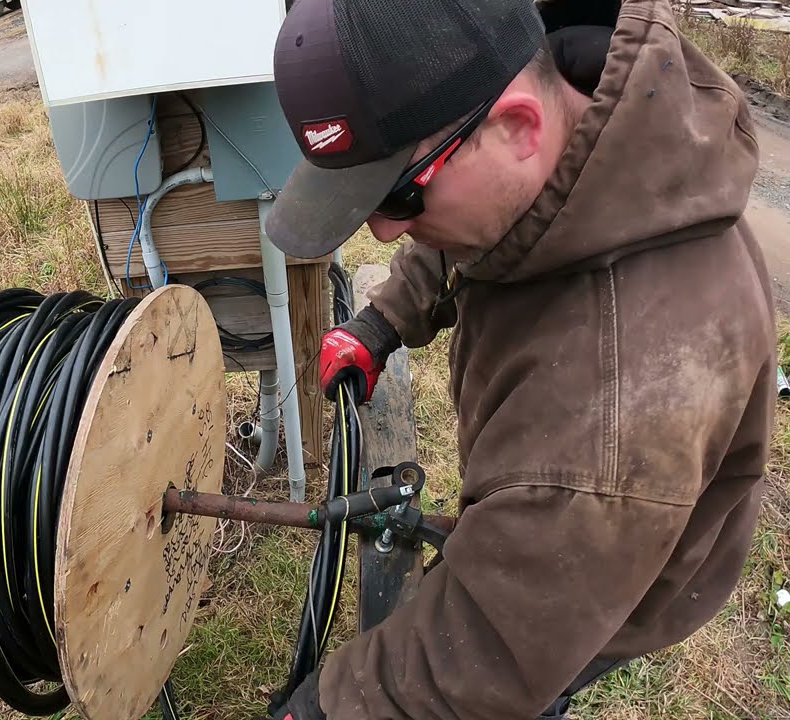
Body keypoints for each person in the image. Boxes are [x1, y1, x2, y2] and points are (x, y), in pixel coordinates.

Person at [265, 0, 775, 718]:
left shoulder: (610, 421)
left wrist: (323, 708)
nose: (382, 232)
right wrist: (383, 321)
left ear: (517, 128)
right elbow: (467, 239)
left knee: (528, 677)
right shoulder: (567, 129)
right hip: (568, 502)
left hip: (595, 577)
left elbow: (473, 658)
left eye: (400, 196)